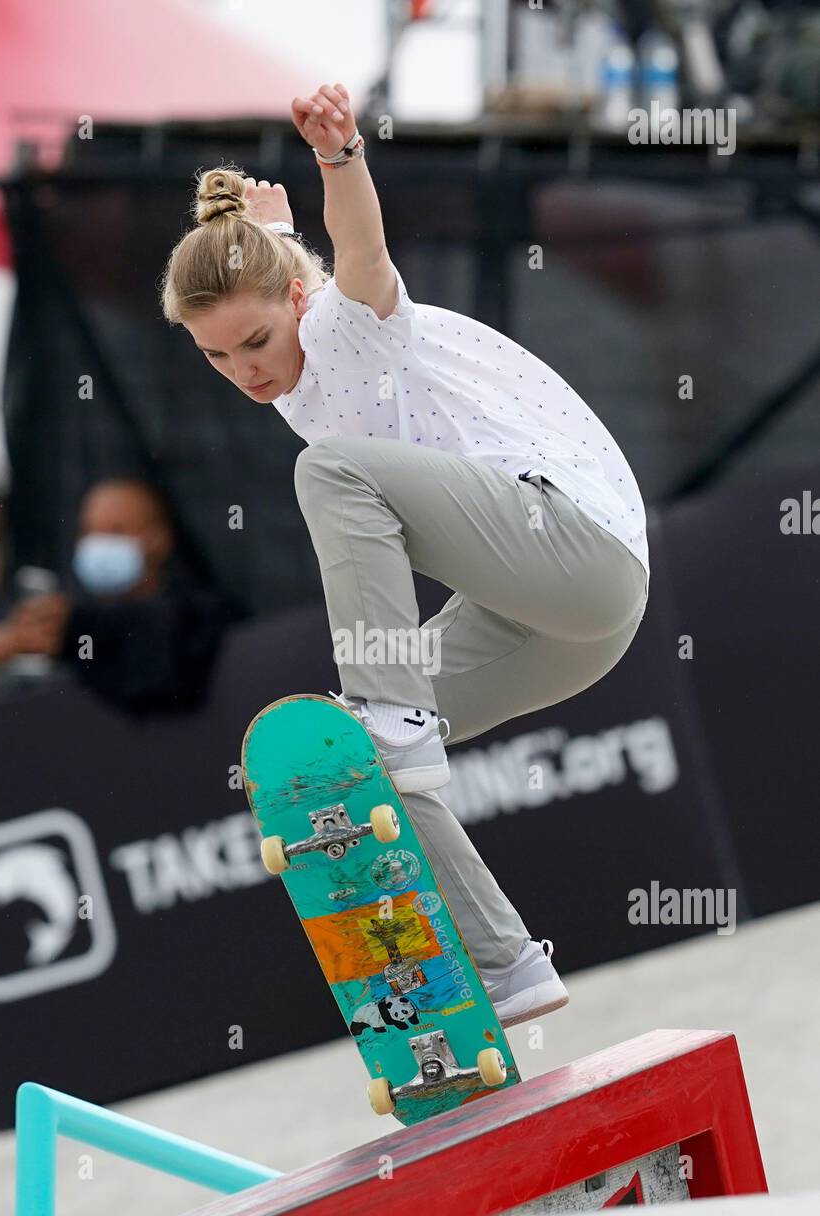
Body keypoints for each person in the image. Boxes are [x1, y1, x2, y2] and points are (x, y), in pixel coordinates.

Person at [158, 81, 651, 1029]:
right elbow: (288, 270)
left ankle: (391, 705)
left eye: (256, 342)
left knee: (336, 481)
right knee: (352, 763)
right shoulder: (295, 352)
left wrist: (342, 159)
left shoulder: (352, 319)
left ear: (299, 300)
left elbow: (362, 253)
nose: (248, 373)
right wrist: (269, 231)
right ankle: (506, 964)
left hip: (578, 548)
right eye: (219, 360)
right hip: (565, 629)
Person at [14, 478, 245, 712]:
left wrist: (74, 628)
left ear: (158, 540)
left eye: (116, 531)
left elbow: (157, 664)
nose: (98, 545)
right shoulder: (70, 625)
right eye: (88, 532)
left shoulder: (203, 615)